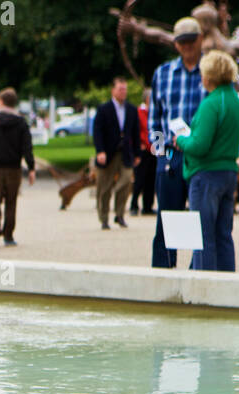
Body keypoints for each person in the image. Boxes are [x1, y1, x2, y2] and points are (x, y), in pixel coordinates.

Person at [174, 50, 239, 271]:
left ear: (209, 76)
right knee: (224, 233)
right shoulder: (236, 102)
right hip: (229, 172)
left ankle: (204, 291)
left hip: (206, 174)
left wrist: (181, 140)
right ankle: (226, 286)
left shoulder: (211, 104)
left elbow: (199, 146)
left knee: (203, 237)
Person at [149, 17, 205, 267]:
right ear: (175, 44)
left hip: (201, 153)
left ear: (200, 39)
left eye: (191, 41)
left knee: (201, 218)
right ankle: (163, 271)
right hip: (171, 155)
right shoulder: (162, 73)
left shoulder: (212, 71)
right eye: (182, 42)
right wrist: (161, 154)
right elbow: (155, 119)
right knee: (166, 219)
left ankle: (197, 272)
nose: (187, 46)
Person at [0, 86, 36, 248]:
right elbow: (27, 147)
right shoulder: (21, 122)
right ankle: (8, 235)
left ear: (0, 101)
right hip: (13, 167)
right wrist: (31, 167)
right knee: (11, 201)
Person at [92, 76, 141, 229]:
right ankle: (104, 217)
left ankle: (119, 214)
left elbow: (135, 133)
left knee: (126, 182)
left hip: (125, 153)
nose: (123, 92)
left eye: (125, 89)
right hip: (108, 153)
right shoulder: (103, 109)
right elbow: (97, 132)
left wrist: (137, 153)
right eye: (120, 89)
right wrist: (100, 151)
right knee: (104, 187)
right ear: (113, 91)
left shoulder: (132, 110)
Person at [130, 87, 155, 215]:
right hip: (144, 150)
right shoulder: (139, 112)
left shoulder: (155, 112)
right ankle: (134, 205)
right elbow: (138, 131)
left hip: (154, 150)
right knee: (140, 179)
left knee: (151, 179)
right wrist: (141, 144)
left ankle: (148, 206)